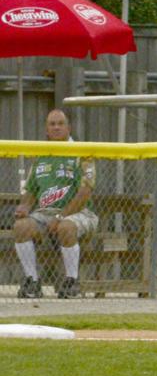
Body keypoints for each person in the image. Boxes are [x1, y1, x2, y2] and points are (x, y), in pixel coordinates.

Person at [12, 108, 98, 299]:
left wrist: (61, 217)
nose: (56, 127)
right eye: (52, 124)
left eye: (60, 123)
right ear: (46, 129)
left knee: (66, 227)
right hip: (45, 213)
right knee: (21, 227)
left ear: (69, 127)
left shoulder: (82, 153)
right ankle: (32, 282)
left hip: (80, 213)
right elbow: (31, 190)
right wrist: (25, 206)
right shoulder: (40, 154)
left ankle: (71, 282)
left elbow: (85, 192)